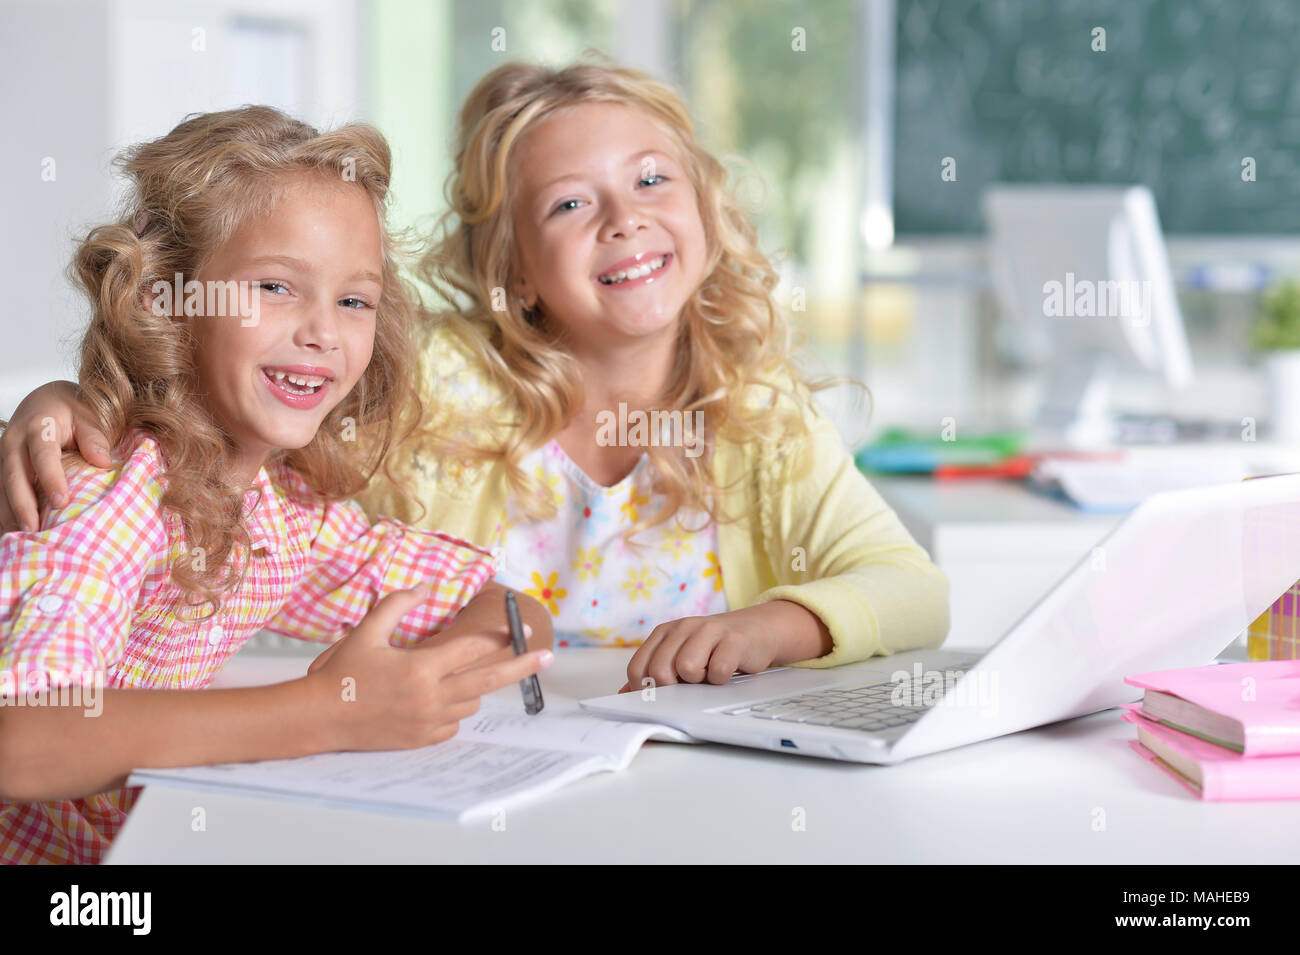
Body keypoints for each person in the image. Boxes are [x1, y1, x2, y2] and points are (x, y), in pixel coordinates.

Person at [0, 59, 948, 697]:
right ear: (516, 265)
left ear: (706, 203)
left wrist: (780, 624)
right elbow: (250, 421)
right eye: (572, 203)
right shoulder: (443, 379)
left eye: (653, 180)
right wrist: (75, 400)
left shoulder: (755, 407)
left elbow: (914, 590)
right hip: (465, 758)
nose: (623, 219)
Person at [0, 106, 552, 864]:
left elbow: (507, 603)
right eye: (277, 287)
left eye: (353, 300)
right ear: (166, 296)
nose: (324, 330)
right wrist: (327, 711)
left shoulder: (284, 509)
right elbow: (22, 739)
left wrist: (417, 681)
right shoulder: (106, 495)